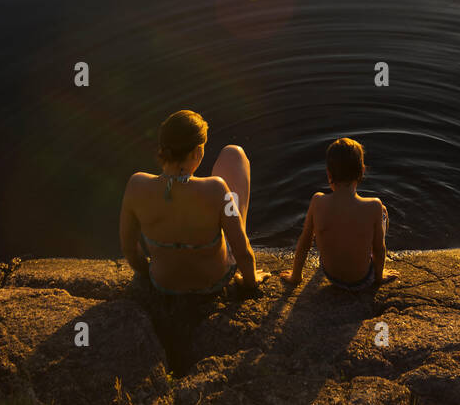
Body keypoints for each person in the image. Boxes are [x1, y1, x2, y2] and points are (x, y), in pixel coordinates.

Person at [120, 109, 268, 296]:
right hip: (213, 282)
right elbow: (242, 251)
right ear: (197, 152)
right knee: (234, 154)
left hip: (163, 283)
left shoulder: (136, 185)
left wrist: (148, 275)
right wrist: (250, 282)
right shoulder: (216, 189)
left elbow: (129, 249)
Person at [280, 137, 398, 291]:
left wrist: (295, 276)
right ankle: (376, 270)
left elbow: (304, 242)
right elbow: (379, 249)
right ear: (362, 171)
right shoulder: (374, 205)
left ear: (329, 173)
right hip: (362, 279)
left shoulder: (317, 201)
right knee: (383, 211)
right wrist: (379, 276)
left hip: (331, 275)